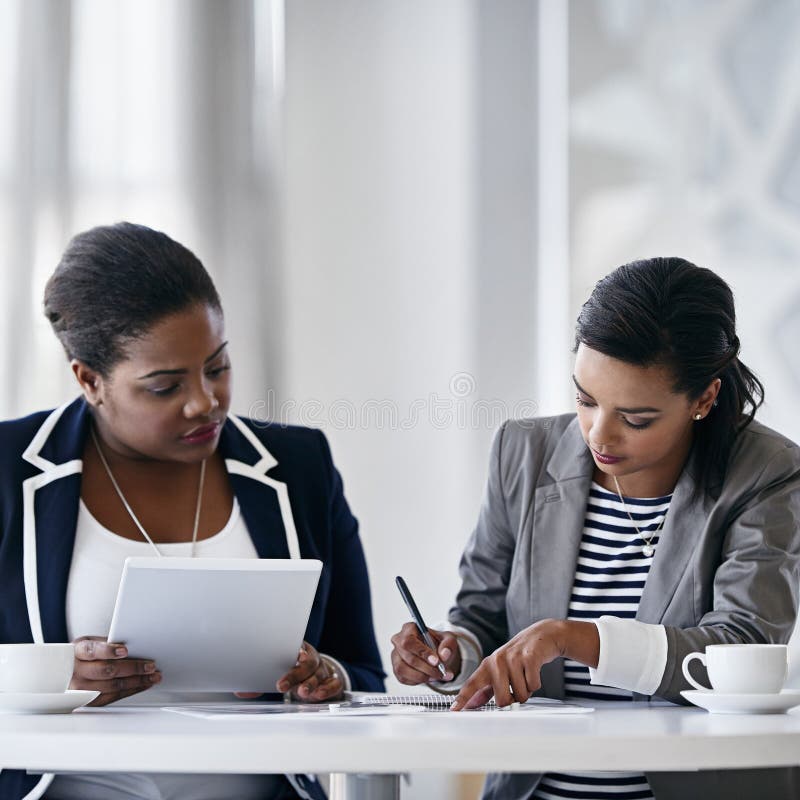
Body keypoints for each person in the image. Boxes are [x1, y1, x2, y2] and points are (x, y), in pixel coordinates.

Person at [0, 222, 384, 800]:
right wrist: (48, 681)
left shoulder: (299, 466)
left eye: (217, 366)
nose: (205, 402)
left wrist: (326, 678)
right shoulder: (9, 470)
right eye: (164, 386)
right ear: (90, 381)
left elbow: (363, 671)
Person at [391, 257, 800, 800]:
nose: (599, 434)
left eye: (636, 419)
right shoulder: (524, 453)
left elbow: (740, 649)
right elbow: (482, 618)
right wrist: (449, 653)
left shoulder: (767, 474)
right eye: (585, 399)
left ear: (704, 398)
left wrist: (575, 637)